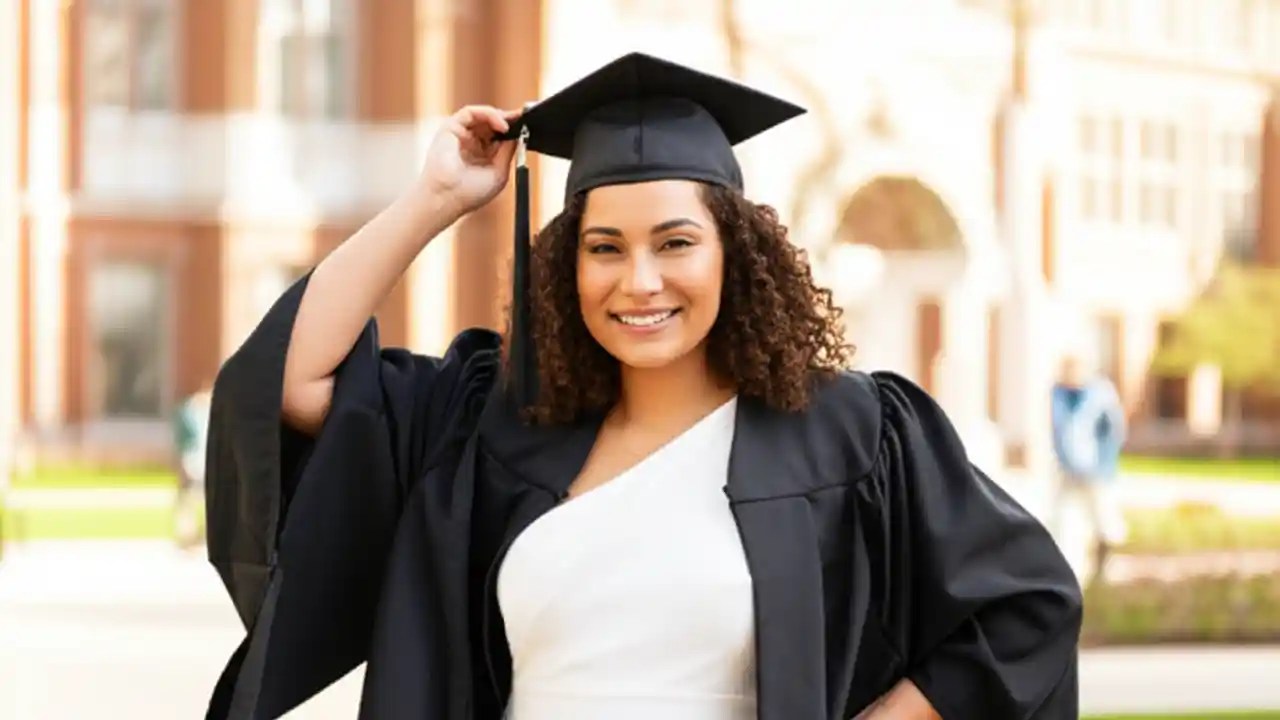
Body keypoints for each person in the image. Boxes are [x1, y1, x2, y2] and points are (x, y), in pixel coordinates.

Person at [204, 53, 1081, 720]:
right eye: (604, 247)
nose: (640, 282)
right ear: (565, 265)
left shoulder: (848, 432)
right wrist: (434, 199)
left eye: (675, 243)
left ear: (735, 252)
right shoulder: (496, 420)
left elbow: (1025, 607)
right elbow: (288, 379)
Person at [1050, 350, 1128, 584]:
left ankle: (1104, 563)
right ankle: (1067, 569)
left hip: (1095, 469)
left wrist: (1103, 465)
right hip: (1069, 469)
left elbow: (1113, 431)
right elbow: (1059, 430)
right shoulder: (1059, 394)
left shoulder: (1100, 395)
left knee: (1103, 518)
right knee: (1063, 518)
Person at [172, 379, 212, 549]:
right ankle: (190, 535)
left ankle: (196, 535)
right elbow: (183, 442)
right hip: (195, 461)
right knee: (188, 500)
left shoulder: (205, 413)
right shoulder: (190, 413)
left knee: (193, 501)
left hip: (200, 462)